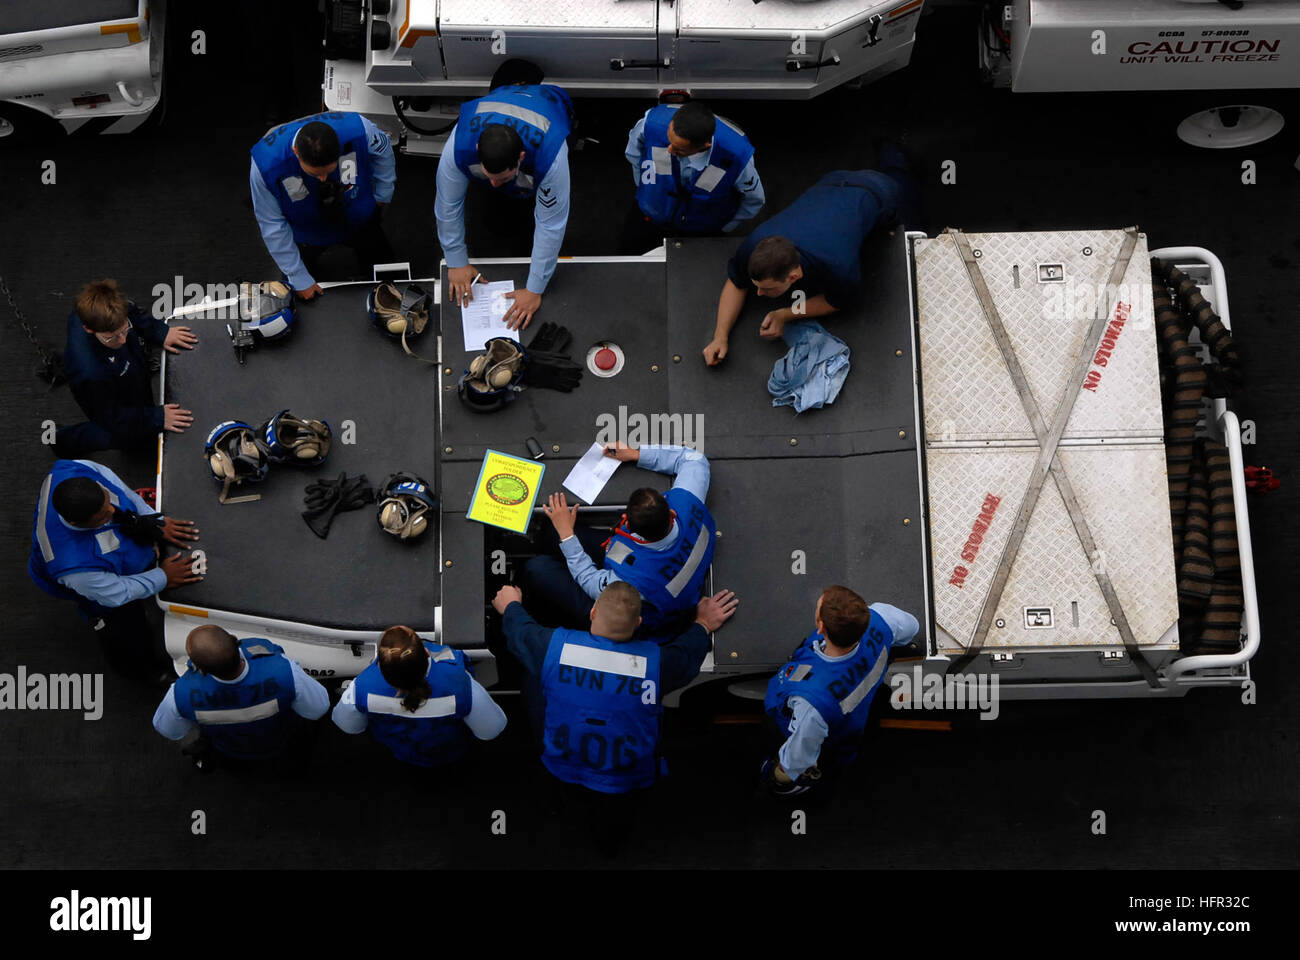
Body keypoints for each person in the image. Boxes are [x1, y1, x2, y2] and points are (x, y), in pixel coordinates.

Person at [496, 580, 737, 793]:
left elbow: (521, 631)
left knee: (535, 675)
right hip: (629, 776)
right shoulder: (656, 664)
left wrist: (511, 605)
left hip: (561, 764)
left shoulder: (554, 648)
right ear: (638, 622)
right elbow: (685, 654)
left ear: (592, 613)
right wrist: (703, 622)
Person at [701, 146, 915, 366]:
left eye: (768, 288)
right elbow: (737, 283)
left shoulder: (838, 265)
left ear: (793, 276)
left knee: (905, 202)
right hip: (831, 184)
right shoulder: (755, 246)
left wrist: (785, 314)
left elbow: (836, 301)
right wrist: (720, 336)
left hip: (875, 192)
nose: (759, 292)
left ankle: (896, 151)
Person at [29, 459, 201, 681]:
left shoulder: (75, 469)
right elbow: (119, 593)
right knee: (126, 630)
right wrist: (163, 577)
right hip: (100, 591)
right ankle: (145, 673)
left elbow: (118, 488)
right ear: (79, 523)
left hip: (111, 561)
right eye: (103, 516)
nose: (112, 510)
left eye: (108, 504)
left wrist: (150, 521)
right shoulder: (75, 568)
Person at [524, 443, 716, 642]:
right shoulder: (688, 503)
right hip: (654, 567)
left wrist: (566, 534)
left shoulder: (630, 583)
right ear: (671, 513)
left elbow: (588, 578)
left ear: (630, 527)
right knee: (550, 535)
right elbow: (694, 460)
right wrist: (636, 454)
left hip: (632, 610)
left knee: (538, 568)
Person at [436, 80, 574, 330]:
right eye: (488, 176)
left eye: (502, 178)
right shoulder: (459, 144)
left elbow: (551, 224)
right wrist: (456, 260)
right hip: (505, 94)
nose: (493, 184)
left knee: (527, 209)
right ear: (477, 148)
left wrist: (534, 289)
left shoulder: (552, 157)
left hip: (549, 102)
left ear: (521, 158)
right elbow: (447, 203)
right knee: (498, 203)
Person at [762, 585, 919, 796]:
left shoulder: (812, 705)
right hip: (855, 718)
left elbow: (798, 757)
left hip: (823, 739)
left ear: (821, 628)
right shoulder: (882, 618)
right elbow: (912, 627)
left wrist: (782, 772)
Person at [250, 111, 397, 300]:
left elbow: (384, 152)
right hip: (305, 229)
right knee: (297, 291)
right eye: (315, 173)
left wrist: (383, 193)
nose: (323, 178)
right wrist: (298, 277)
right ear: (296, 152)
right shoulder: (265, 165)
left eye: (329, 171)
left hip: (357, 212)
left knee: (386, 269)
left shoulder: (361, 130)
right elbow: (271, 222)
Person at [55, 279, 197, 458]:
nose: (122, 340)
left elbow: (131, 313)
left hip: (128, 372)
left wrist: (160, 332)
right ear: (89, 329)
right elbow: (111, 418)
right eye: (112, 337)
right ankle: (60, 439)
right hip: (109, 388)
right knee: (119, 436)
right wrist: (157, 418)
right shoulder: (89, 373)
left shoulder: (111, 312)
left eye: (125, 329)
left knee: (140, 407)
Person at [331, 624, 507, 768]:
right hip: (450, 753)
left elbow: (349, 726)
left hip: (400, 753)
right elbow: (491, 730)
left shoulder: (360, 688)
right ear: (427, 652)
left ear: (380, 667)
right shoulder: (461, 684)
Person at [152, 625, 330, 765]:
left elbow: (171, 730)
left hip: (229, 752)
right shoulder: (285, 672)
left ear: (202, 670)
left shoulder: (180, 694)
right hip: (282, 746)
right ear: (235, 640)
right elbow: (317, 708)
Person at [622, 99, 764, 253]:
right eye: (669, 140)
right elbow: (633, 153)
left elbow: (754, 200)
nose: (669, 150)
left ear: (704, 146)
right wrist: (644, 187)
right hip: (651, 211)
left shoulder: (737, 158)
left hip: (701, 228)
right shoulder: (652, 123)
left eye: (679, 149)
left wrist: (725, 227)